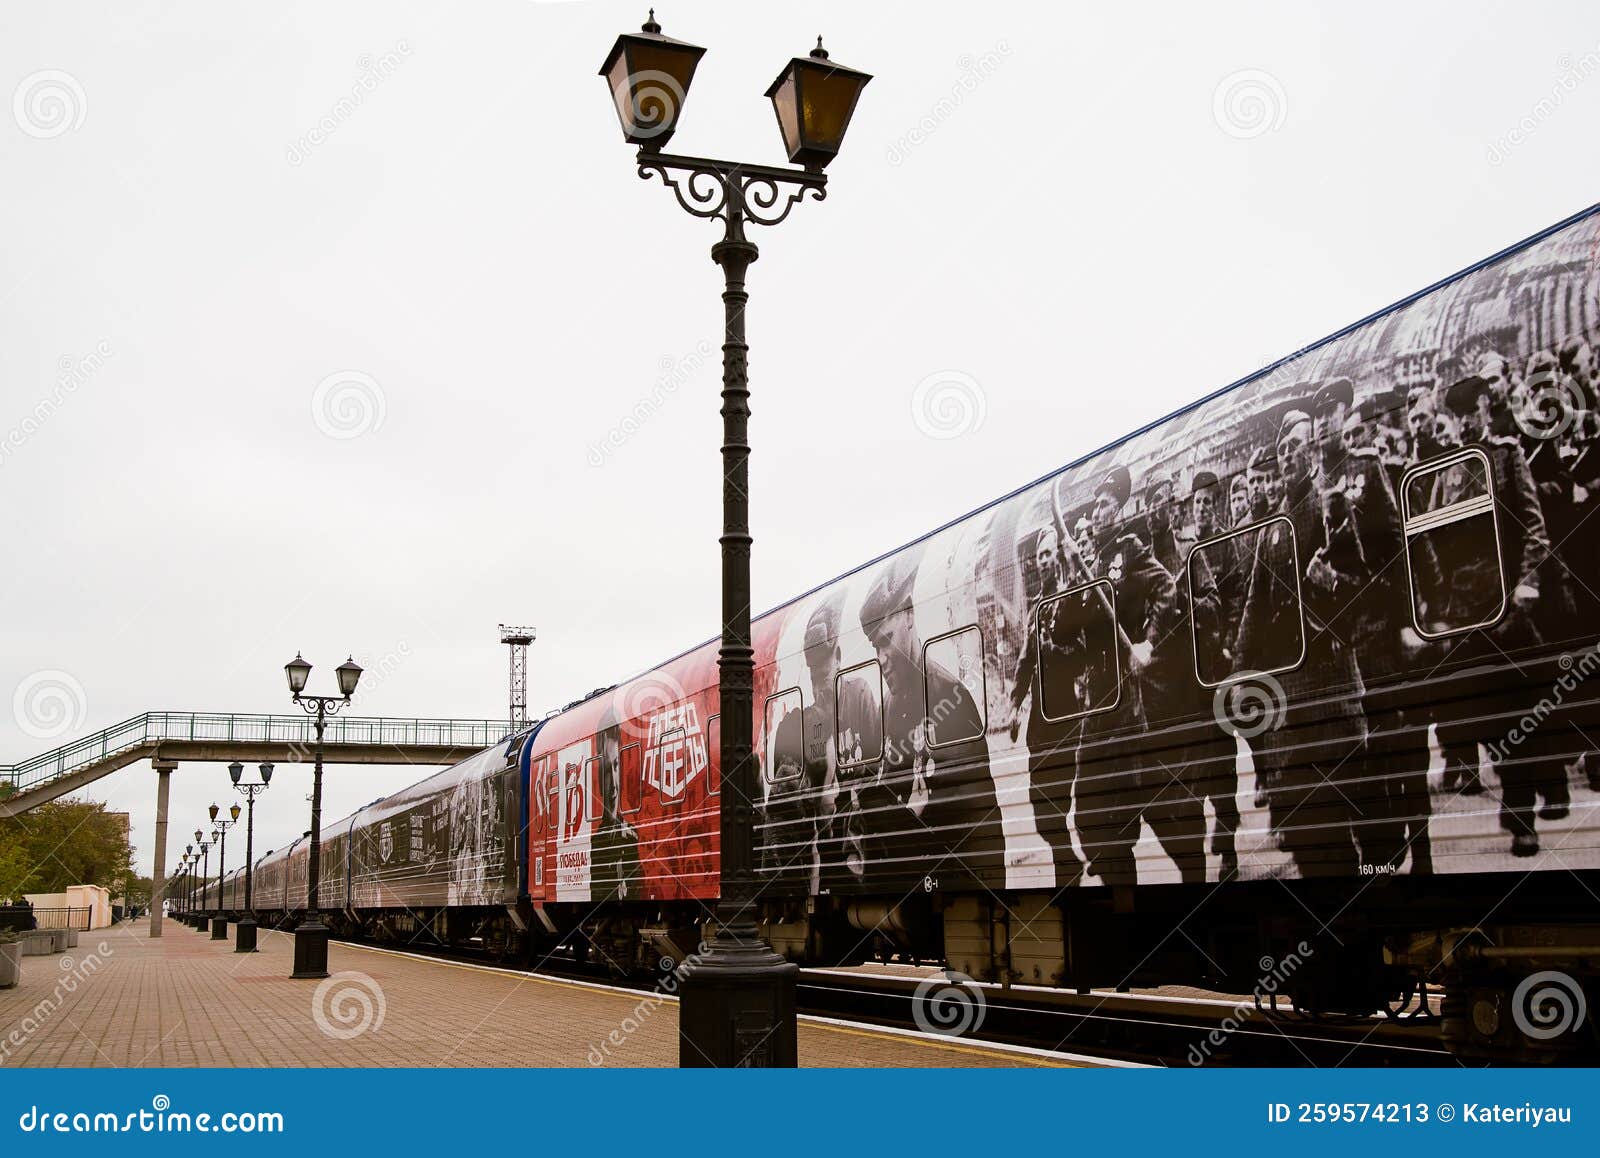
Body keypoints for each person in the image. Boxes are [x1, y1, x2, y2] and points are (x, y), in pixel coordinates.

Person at [1235, 405, 1367, 878]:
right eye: (1281, 449)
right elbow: (1254, 601)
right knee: (1308, 831)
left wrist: (1329, 579)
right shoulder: (1273, 524)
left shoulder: (1332, 504)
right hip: (1290, 693)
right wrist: (1237, 671)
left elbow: (1366, 586)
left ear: (1312, 451)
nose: (1287, 455)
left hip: (1331, 684)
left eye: (1295, 446)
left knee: (1344, 819)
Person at [1310, 377, 1429, 872]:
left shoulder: (1366, 468)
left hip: (1381, 627)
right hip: (1345, 642)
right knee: (1369, 754)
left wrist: (1408, 619)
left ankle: (1421, 852)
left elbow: (1400, 548)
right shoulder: (1315, 487)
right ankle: (1385, 853)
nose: (1322, 426)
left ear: (1345, 416)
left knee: (1405, 744)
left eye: (1330, 414)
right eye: (1317, 419)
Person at [1071, 465, 1207, 887]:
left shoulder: (1128, 549)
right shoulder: (1087, 562)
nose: (1097, 513)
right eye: (1094, 506)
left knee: (1158, 802)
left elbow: (1167, 589)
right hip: (1098, 705)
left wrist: (1148, 642)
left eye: (1105, 505)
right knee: (1091, 812)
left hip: (1129, 704)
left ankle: (1195, 879)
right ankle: (1121, 892)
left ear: (1119, 508)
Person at [858, 554, 1001, 886]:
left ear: (909, 615)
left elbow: (978, 817)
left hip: (951, 877)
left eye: (885, 640)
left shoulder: (950, 697)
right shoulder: (888, 706)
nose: (880, 659)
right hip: (906, 877)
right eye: (874, 647)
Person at [1009, 525, 1086, 882]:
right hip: (1039, 723)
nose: (1043, 560)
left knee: (1062, 798)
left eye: (1048, 553)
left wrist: (1052, 651)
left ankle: (1066, 874)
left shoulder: (1073, 597)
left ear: (1058, 556)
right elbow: (1026, 661)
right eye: (1039, 554)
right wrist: (1013, 706)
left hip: (1067, 714)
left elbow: (1083, 653)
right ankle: (1066, 859)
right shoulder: (1037, 609)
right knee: (1041, 808)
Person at [1183, 468, 1241, 877]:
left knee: (1223, 760)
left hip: (1216, 669)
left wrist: (1229, 649)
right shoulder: (1184, 547)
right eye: (1196, 503)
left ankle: (1228, 845)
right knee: (1194, 761)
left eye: (1208, 502)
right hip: (1189, 675)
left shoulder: (1225, 546)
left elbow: (1237, 598)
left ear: (1216, 505)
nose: (1202, 509)